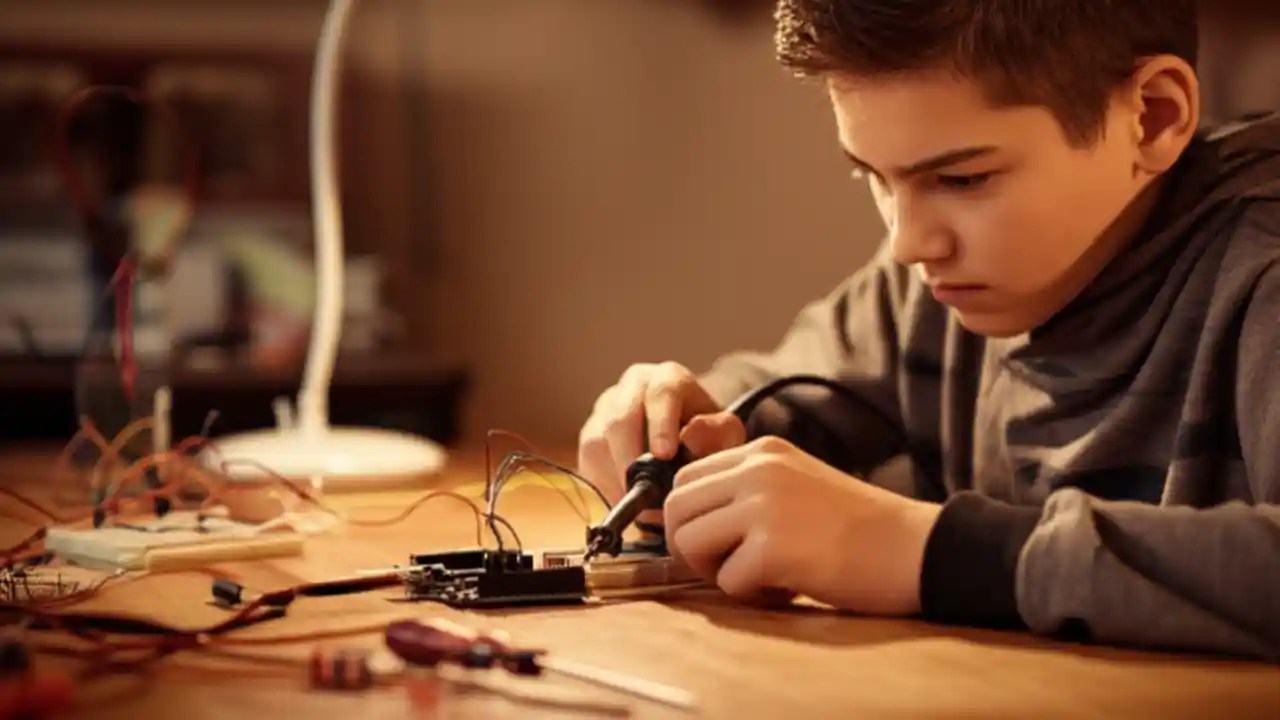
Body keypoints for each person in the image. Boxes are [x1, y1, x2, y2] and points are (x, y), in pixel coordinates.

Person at [577, 0, 1280, 661]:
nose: (910, 243)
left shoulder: (1262, 266)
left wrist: (926, 552)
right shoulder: (933, 289)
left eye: (964, 180)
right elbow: (788, 392)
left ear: (1152, 117)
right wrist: (694, 424)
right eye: (875, 178)